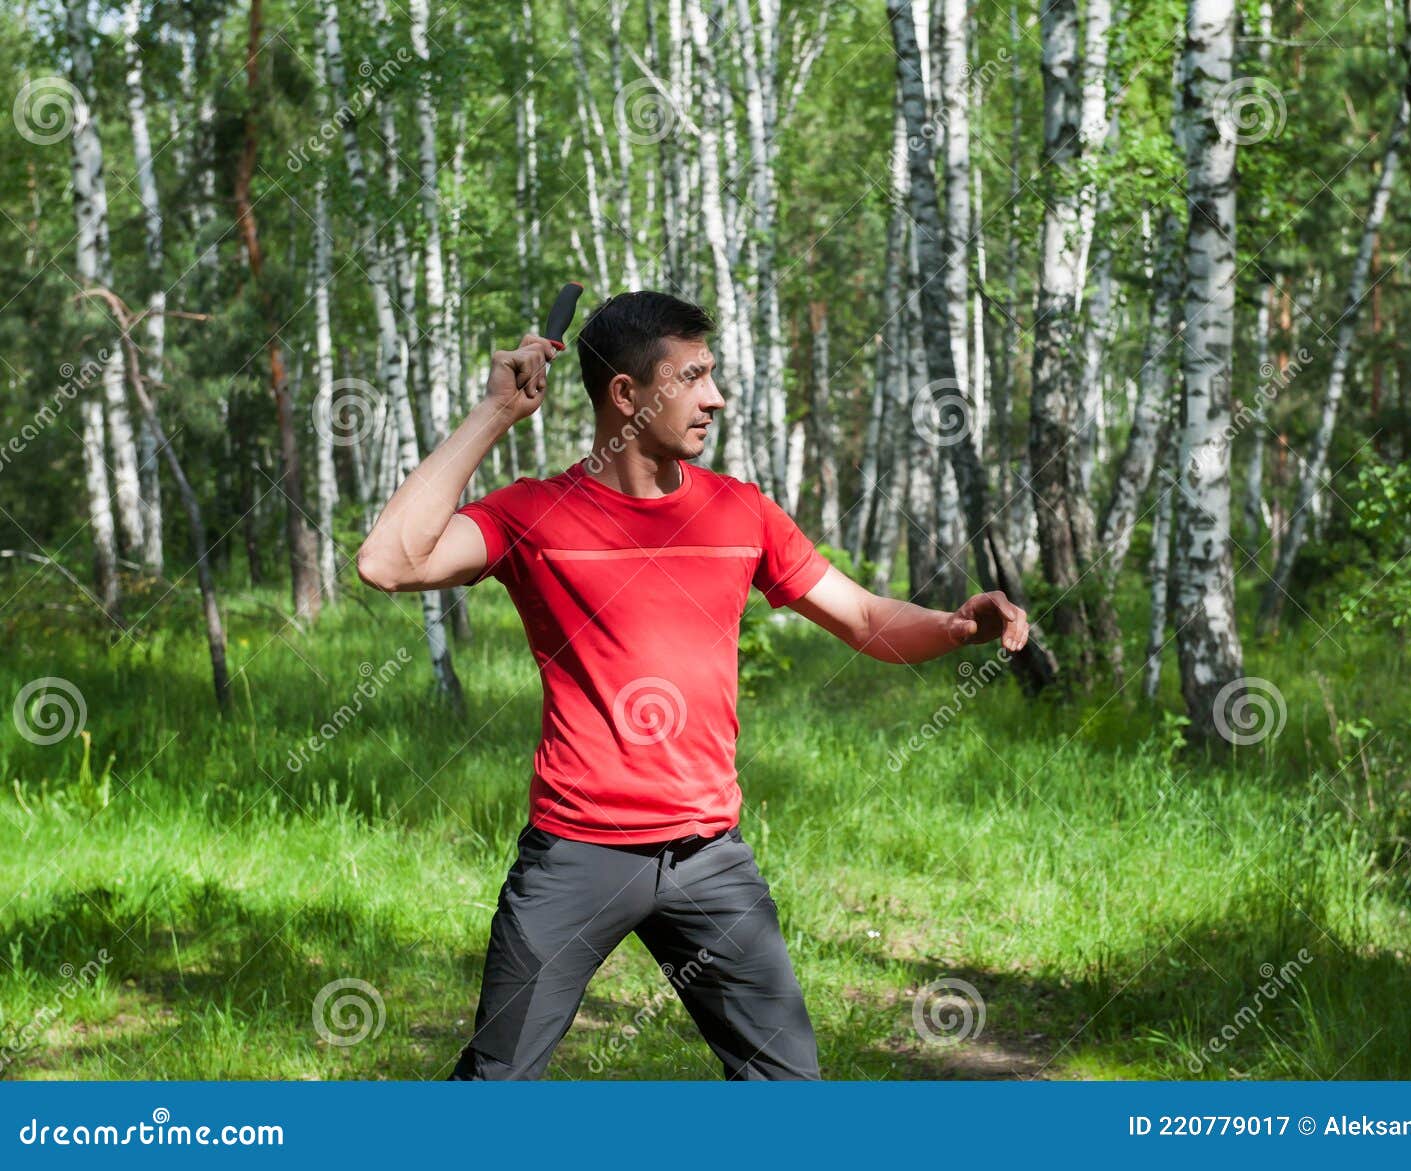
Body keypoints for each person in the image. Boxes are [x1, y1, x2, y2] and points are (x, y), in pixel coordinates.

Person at [356, 290, 1031, 1080]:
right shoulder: (535, 513)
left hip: (710, 859)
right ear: (627, 395)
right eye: (695, 376)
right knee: (495, 1085)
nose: (716, 396)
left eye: (714, 374)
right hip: (576, 853)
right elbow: (388, 562)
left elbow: (863, 619)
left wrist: (956, 627)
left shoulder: (739, 512)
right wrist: (494, 413)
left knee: (790, 1093)